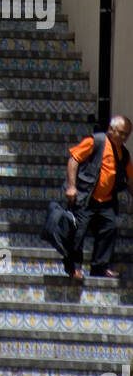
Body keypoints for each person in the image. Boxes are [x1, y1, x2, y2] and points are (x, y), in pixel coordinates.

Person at [63, 117, 133, 279]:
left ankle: (100, 267)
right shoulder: (96, 141)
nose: (124, 138)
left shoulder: (124, 154)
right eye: (121, 133)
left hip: (106, 200)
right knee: (78, 231)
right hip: (86, 196)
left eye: (127, 135)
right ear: (111, 129)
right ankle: (74, 268)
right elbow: (74, 159)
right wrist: (72, 186)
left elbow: (130, 179)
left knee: (109, 228)